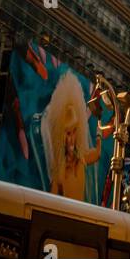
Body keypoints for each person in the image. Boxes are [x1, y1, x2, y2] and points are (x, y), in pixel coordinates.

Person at [39, 69, 102, 201]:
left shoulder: (82, 159)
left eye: (74, 131)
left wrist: (99, 134)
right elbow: (48, 206)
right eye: (68, 133)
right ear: (60, 136)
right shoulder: (58, 176)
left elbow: (97, 154)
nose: (72, 138)